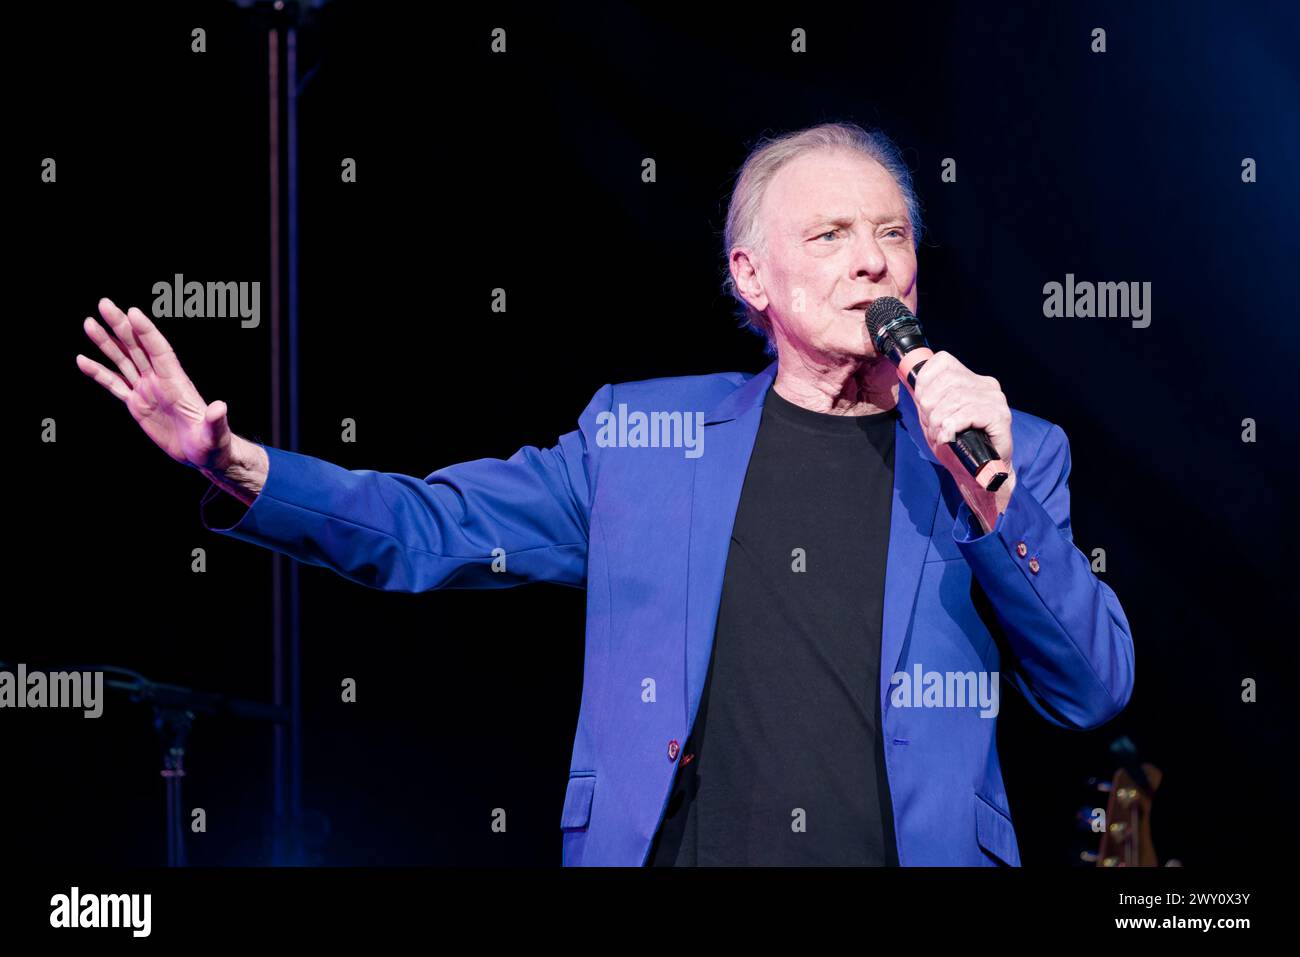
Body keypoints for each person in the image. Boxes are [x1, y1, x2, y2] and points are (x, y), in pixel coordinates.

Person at [76, 122, 1134, 866]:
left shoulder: (1007, 449)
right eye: (830, 236)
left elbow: (1091, 691)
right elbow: (431, 526)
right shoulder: (644, 439)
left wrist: (993, 504)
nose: (873, 263)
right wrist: (235, 465)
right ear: (751, 277)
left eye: (892, 234)